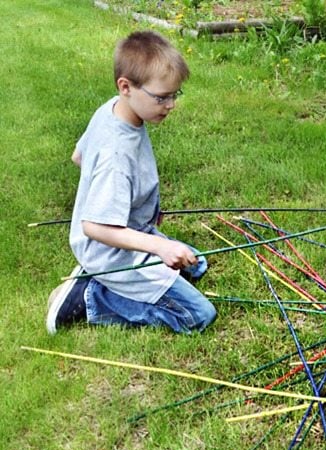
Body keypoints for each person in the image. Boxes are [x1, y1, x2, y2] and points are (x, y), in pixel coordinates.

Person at [45, 30, 216, 335]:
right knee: (198, 315)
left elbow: (78, 156)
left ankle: (108, 277)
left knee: (195, 264)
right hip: (108, 249)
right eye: (161, 97)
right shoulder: (116, 153)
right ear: (126, 86)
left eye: (174, 94)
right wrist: (157, 247)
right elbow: (95, 227)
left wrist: (135, 207)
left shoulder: (113, 109)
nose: (171, 105)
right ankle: (90, 297)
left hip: (128, 231)